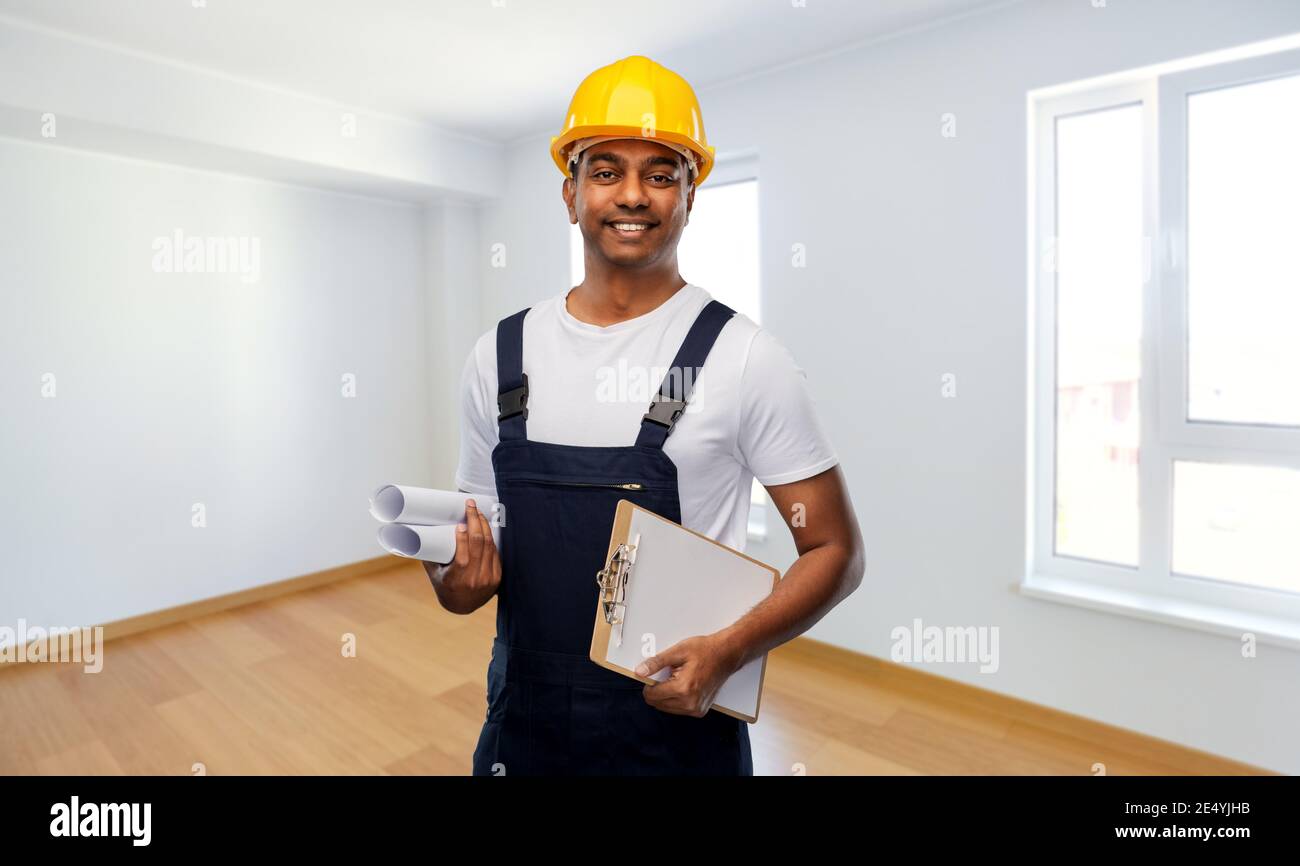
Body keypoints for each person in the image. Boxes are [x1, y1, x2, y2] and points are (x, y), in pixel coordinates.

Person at [424, 55, 865, 776]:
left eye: (661, 174)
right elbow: (474, 548)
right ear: (570, 194)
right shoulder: (499, 357)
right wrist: (455, 585)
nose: (633, 195)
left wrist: (728, 651)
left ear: (691, 197)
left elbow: (835, 553)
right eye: (606, 171)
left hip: (677, 727)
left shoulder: (745, 357)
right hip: (523, 732)